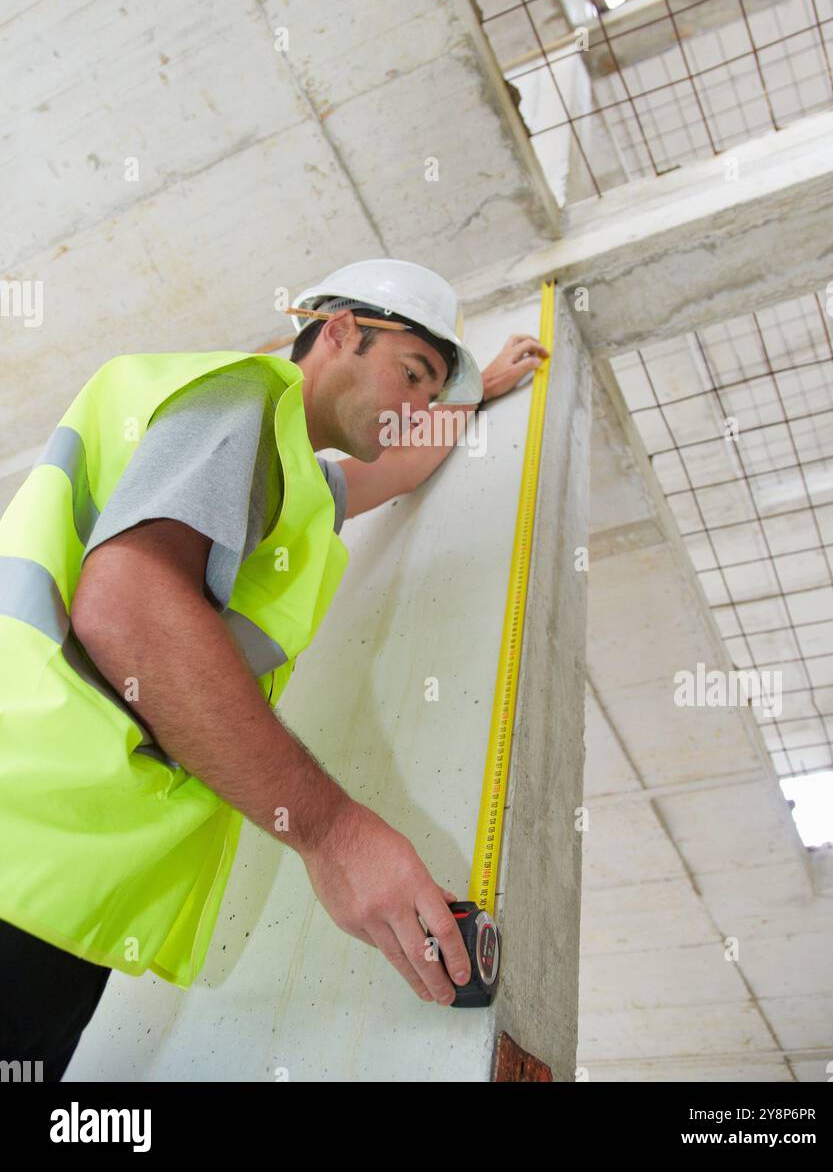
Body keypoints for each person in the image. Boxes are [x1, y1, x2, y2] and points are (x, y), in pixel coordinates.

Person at [0, 258, 549, 1080]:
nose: (416, 407)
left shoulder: (296, 483)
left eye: (430, 393)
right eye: (411, 374)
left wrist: (473, 397)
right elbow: (127, 607)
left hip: (63, 877)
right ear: (337, 332)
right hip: (31, 830)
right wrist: (331, 832)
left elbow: (395, 467)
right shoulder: (243, 399)